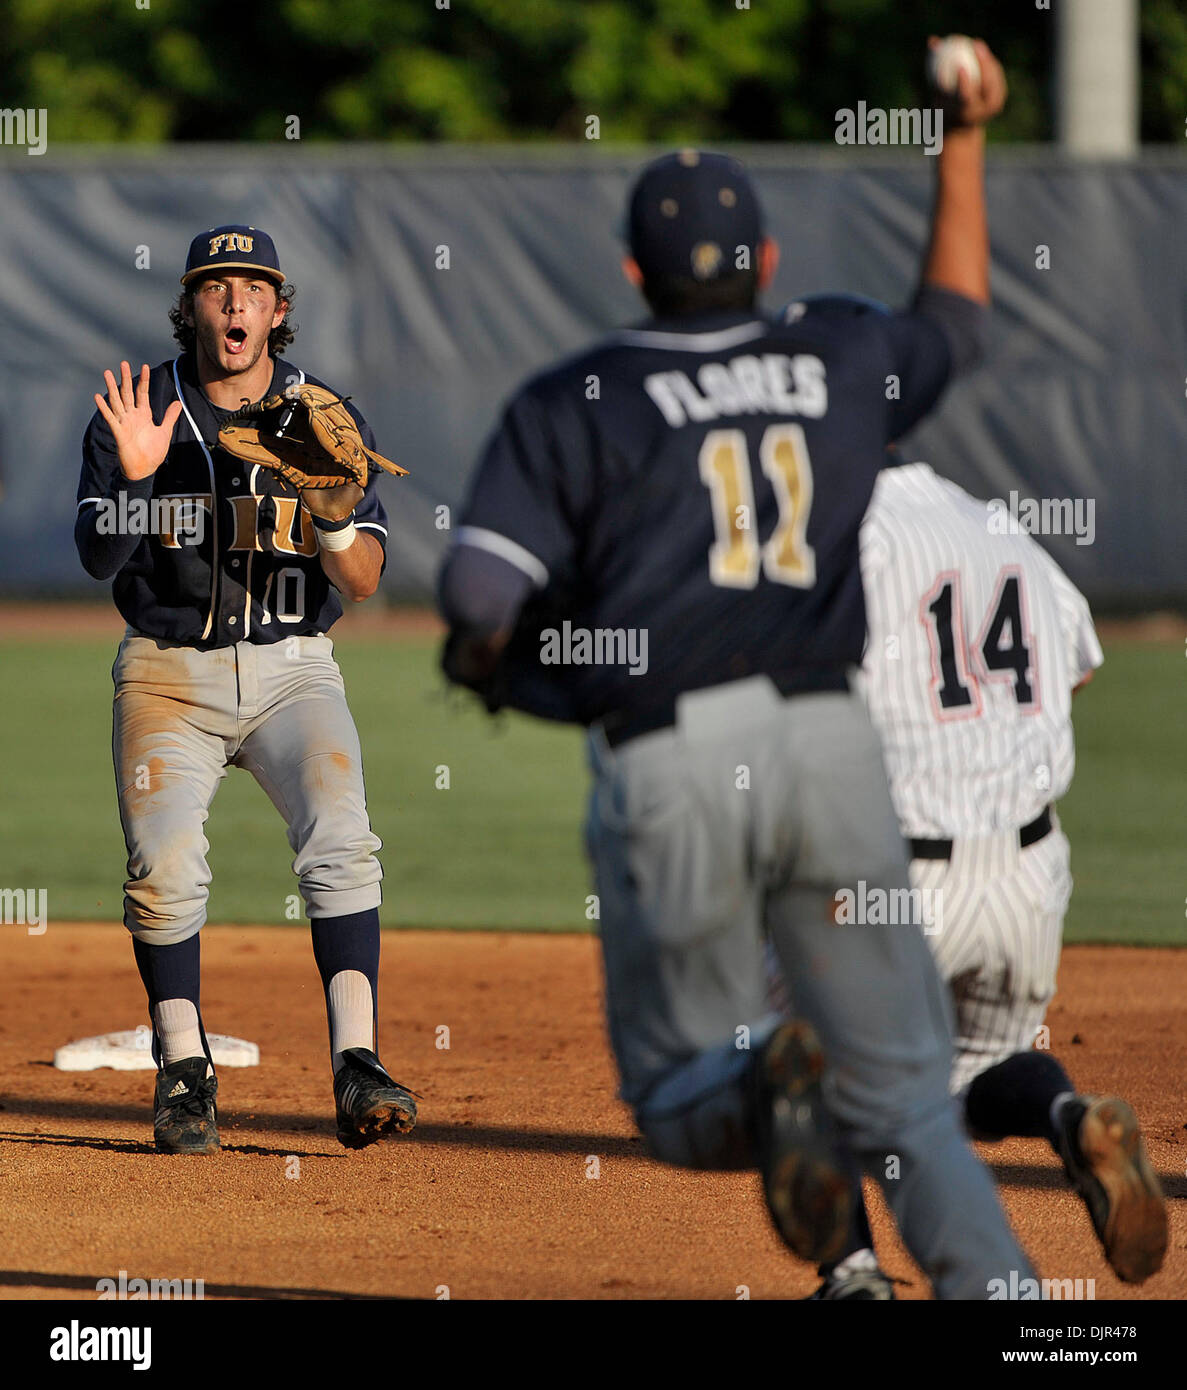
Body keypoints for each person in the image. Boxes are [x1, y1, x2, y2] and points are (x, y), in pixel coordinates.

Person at [438, 45, 1039, 1298]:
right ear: (766, 263)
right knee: (909, 1102)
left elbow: (480, 597)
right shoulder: (834, 352)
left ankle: (766, 1084)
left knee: (675, 1090)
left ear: (630, 272)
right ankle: (1014, 1308)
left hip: (672, 759)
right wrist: (962, 135)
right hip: (831, 747)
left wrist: (507, 662)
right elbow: (959, 321)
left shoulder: (579, 397)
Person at [763, 341, 1167, 1296]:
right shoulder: (994, 523)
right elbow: (1080, 660)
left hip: (898, 879)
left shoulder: (827, 543)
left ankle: (853, 1272)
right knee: (973, 1074)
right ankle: (1068, 1121)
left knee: (788, 1052)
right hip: (1028, 875)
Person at [76, 224, 417, 1154]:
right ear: (190, 306)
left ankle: (358, 1065)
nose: (234, 300)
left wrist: (337, 516)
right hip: (165, 674)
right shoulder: (138, 407)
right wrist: (138, 482)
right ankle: (184, 1068)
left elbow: (365, 582)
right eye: (216, 285)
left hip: (292, 669)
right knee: (164, 870)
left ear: (277, 309)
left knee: (341, 838)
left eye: (252, 285)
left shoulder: (324, 413)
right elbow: (99, 555)